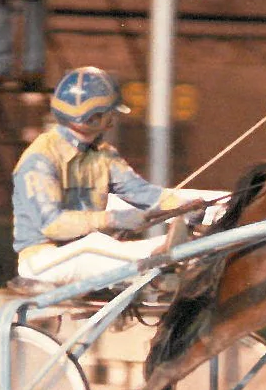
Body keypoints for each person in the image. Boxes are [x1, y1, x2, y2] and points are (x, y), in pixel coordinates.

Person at [12, 67, 174, 286]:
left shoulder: (104, 155)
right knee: (94, 247)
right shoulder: (39, 159)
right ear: (93, 117)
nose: (113, 120)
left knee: (101, 247)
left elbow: (146, 194)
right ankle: (162, 256)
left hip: (87, 251)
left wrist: (188, 206)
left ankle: (169, 251)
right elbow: (51, 224)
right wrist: (111, 219)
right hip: (42, 261)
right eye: (110, 113)